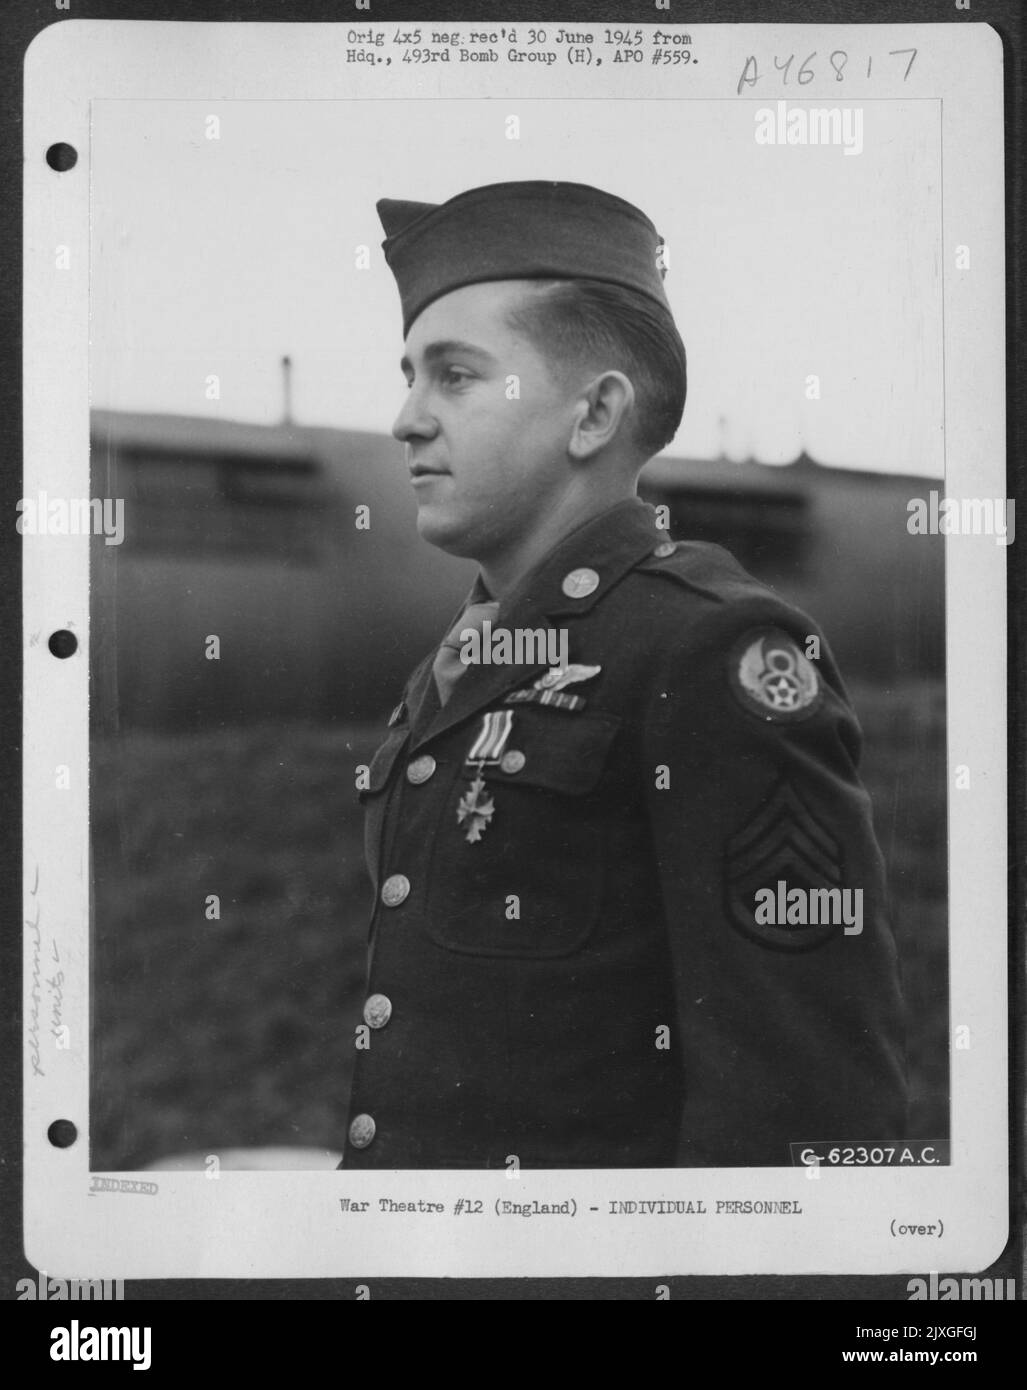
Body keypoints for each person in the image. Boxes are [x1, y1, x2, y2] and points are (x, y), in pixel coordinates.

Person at [340, 180, 906, 1169]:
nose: (405, 418)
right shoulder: (460, 663)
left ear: (594, 412)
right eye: (409, 375)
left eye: (455, 376)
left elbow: (803, 1102)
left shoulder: (705, 650)